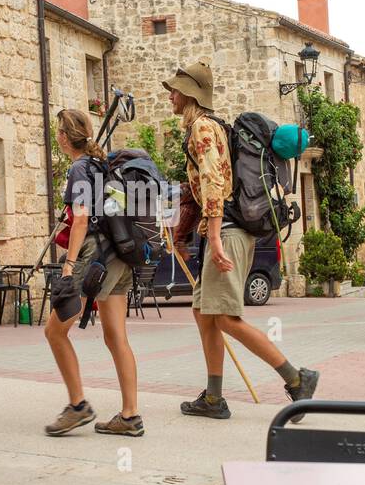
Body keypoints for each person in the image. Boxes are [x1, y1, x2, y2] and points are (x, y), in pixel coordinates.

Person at [163, 61, 319, 419]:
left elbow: (214, 181)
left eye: (174, 90)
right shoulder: (212, 125)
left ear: (190, 94)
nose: (170, 95)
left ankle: (296, 380)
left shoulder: (203, 127)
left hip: (228, 232)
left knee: (227, 318)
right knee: (204, 313)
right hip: (226, 229)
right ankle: (214, 398)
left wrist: (214, 237)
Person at [42, 109, 143, 437]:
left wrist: (69, 265)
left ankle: (77, 405)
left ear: (63, 137)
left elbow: (81, 219)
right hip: (121, 256)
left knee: (55, 331)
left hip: (94, 258)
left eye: (58, 131)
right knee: (117, 337)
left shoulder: (79, 168)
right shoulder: (105, 165)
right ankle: (130, 416)